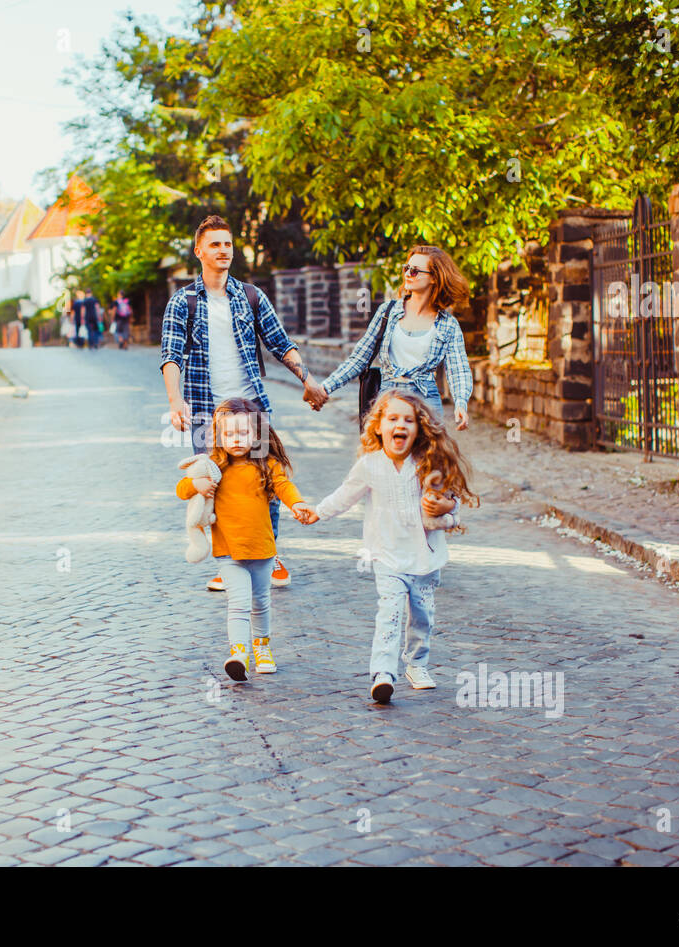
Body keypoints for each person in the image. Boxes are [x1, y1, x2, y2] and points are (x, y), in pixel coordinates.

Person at [160, 214, 329, 592]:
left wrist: (308, 379)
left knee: (265, 480)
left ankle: (269, 555)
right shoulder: (182, 302)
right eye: (215, 244)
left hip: (251, 408)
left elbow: (280, 343)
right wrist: (175, 400)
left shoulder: (250, 295)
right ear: (199, 250)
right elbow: (171, 355)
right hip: (207, 411)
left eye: (228, 244)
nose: (223, 250)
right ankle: (228, 560)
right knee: (214, 485)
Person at [310, 389, 478, 703]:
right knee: (389, 612)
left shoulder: (429, 465)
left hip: (425, 559)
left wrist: (444, 512)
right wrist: (317, 512)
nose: (400, 425)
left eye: (408, 420)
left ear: (419, 429)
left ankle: (417, 663)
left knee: (422, 615)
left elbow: (453, 511)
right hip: (386, 555)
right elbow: (344, 495)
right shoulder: (370, 465)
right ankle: (383, 673)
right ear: (378, 426)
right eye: (392, 418)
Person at [177, 398, 315, 681]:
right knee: (238, 603)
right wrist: (196, 484)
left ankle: (262, 648)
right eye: (229, 434)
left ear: (257, 434)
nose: (236, 439)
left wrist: (298, 504)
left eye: (243, 433)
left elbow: (284, 486)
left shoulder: (267, 464)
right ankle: (239, 653)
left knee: (261, 602)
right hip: (228, 551)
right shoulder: (213, 465)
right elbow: (181, 488)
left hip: (262, 549)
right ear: (219, 435)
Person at [310, 245, 473, 430]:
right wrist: (325, 388)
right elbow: (359, 359)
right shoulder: (387, 312)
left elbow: (458, 369)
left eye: (415, 271)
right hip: (388, 401)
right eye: (406, 268)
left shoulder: (448, 325)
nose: (408, 274)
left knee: (427, 459)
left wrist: (461, 403)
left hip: (427, 405)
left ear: (434, 278)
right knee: (385, 458)